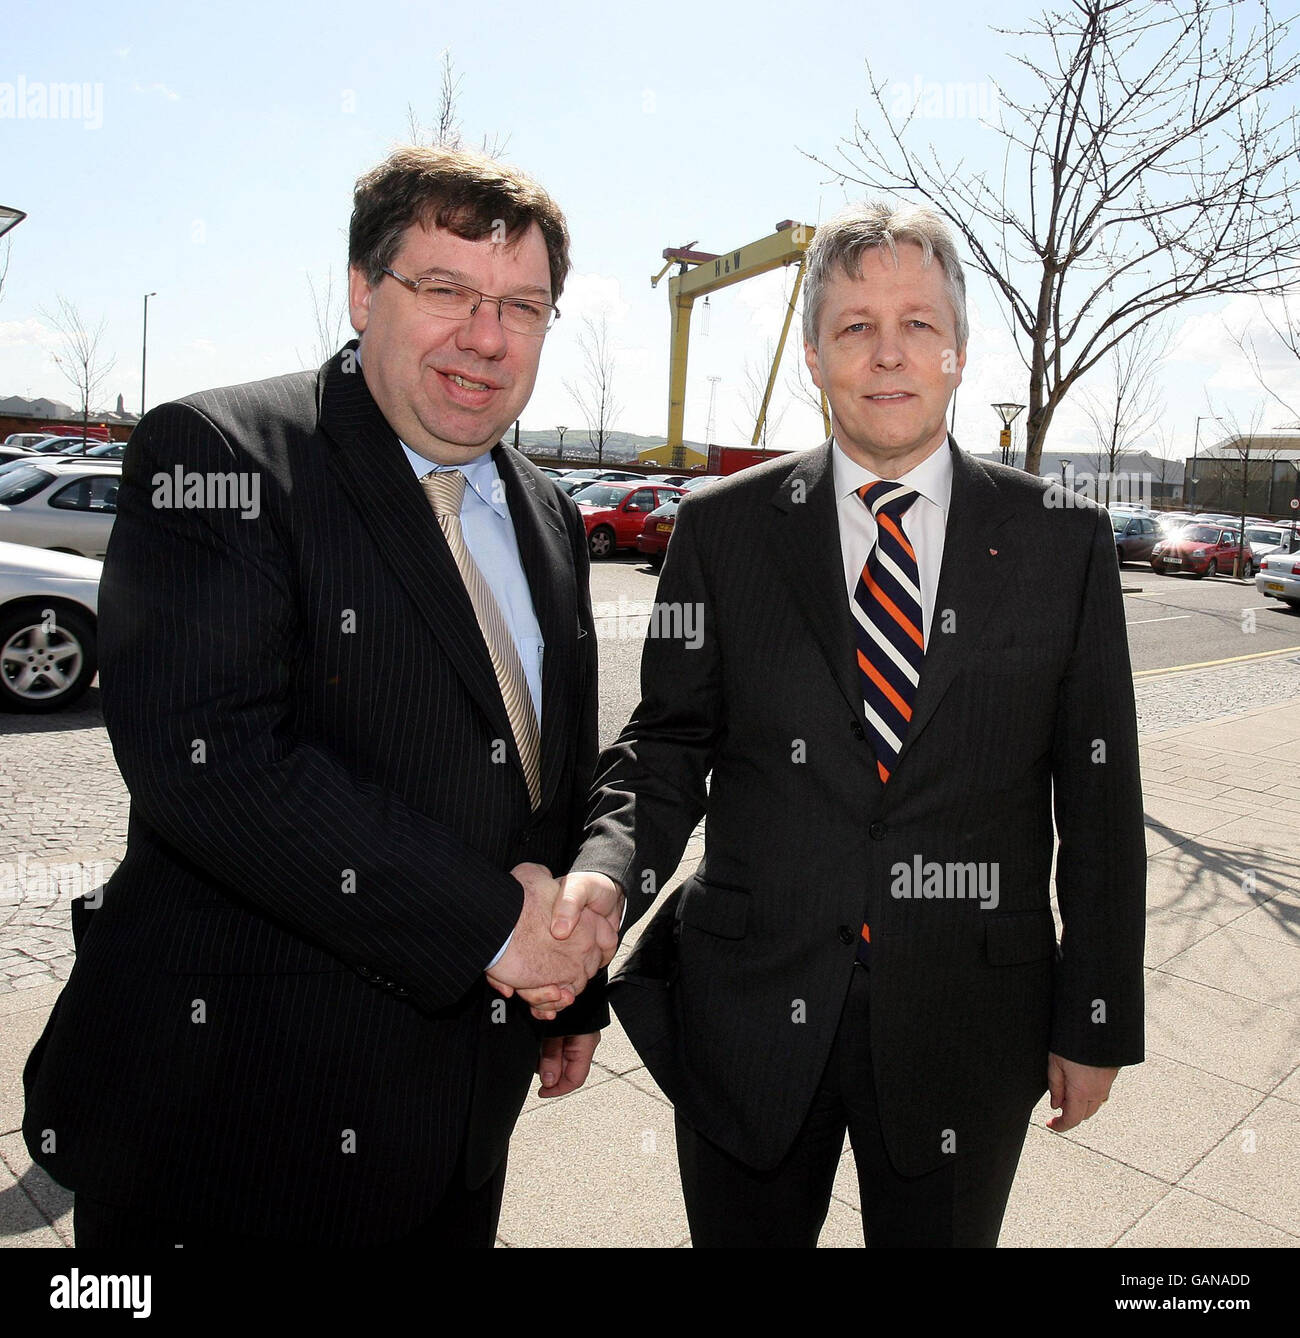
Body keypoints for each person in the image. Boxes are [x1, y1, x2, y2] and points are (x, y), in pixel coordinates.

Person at [23, 146, 614, 1247]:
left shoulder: (548, 513)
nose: (486, 337)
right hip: (234, 1117)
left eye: (523, 306)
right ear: (361, 289)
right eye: (446, 291)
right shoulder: (222, 456)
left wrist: (564, 991)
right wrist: (497, 930)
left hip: (455, 1117)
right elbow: (213, 763)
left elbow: (548, 780)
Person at [545, 201, 1146, 1247]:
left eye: (918, 322)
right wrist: (605, 871)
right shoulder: (722, 531)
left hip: (969, 1020)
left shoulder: (1062, 541)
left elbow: (1100, 801)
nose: (887, 352)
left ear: (958, 351)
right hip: (749, 1009)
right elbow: (668, 743)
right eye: (853, 325)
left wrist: (1095, 1015)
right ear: (812, 359)